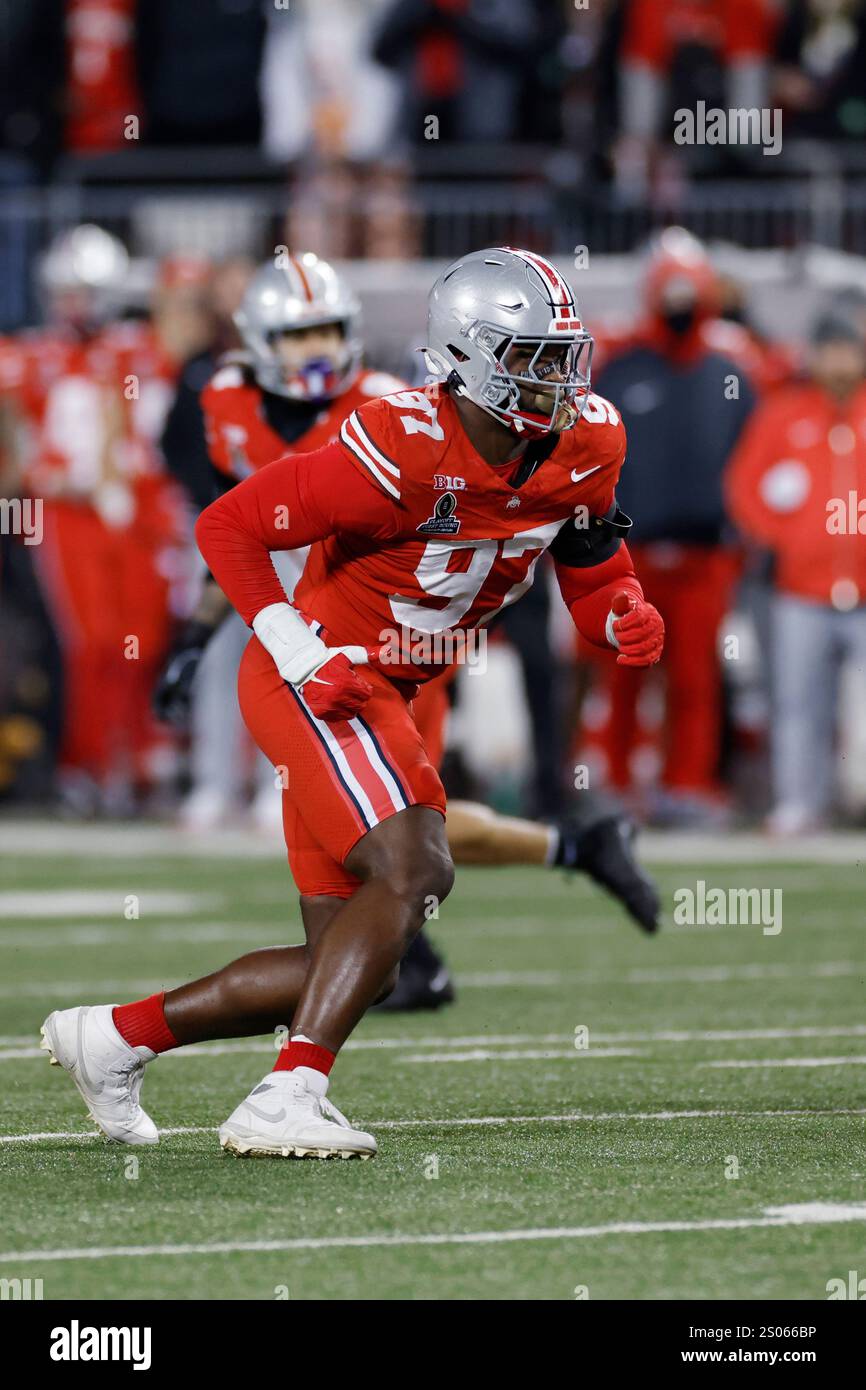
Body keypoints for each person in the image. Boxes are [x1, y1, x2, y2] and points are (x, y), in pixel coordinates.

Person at [42, 246, 664, 1159]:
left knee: (357, 964)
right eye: (530, 356)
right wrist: (297, 650)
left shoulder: (590, 438)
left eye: (562, 356)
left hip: (395, 680)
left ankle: (115, 1037)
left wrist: (618, 611)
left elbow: (588, 553)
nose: (555, 379)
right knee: (416, 868)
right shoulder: (401, 443)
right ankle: (288, 1093)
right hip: (321, 676)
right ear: (468, 355)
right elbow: (228, 526)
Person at [725, 312, 866, 833]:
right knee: (798, 701)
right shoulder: (782, 414)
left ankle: (848, 799)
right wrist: (781, 541)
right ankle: (799, 804)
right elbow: (744, 486)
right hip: (801, 590)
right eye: (829, 350)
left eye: (847, 350)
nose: (838, 362)